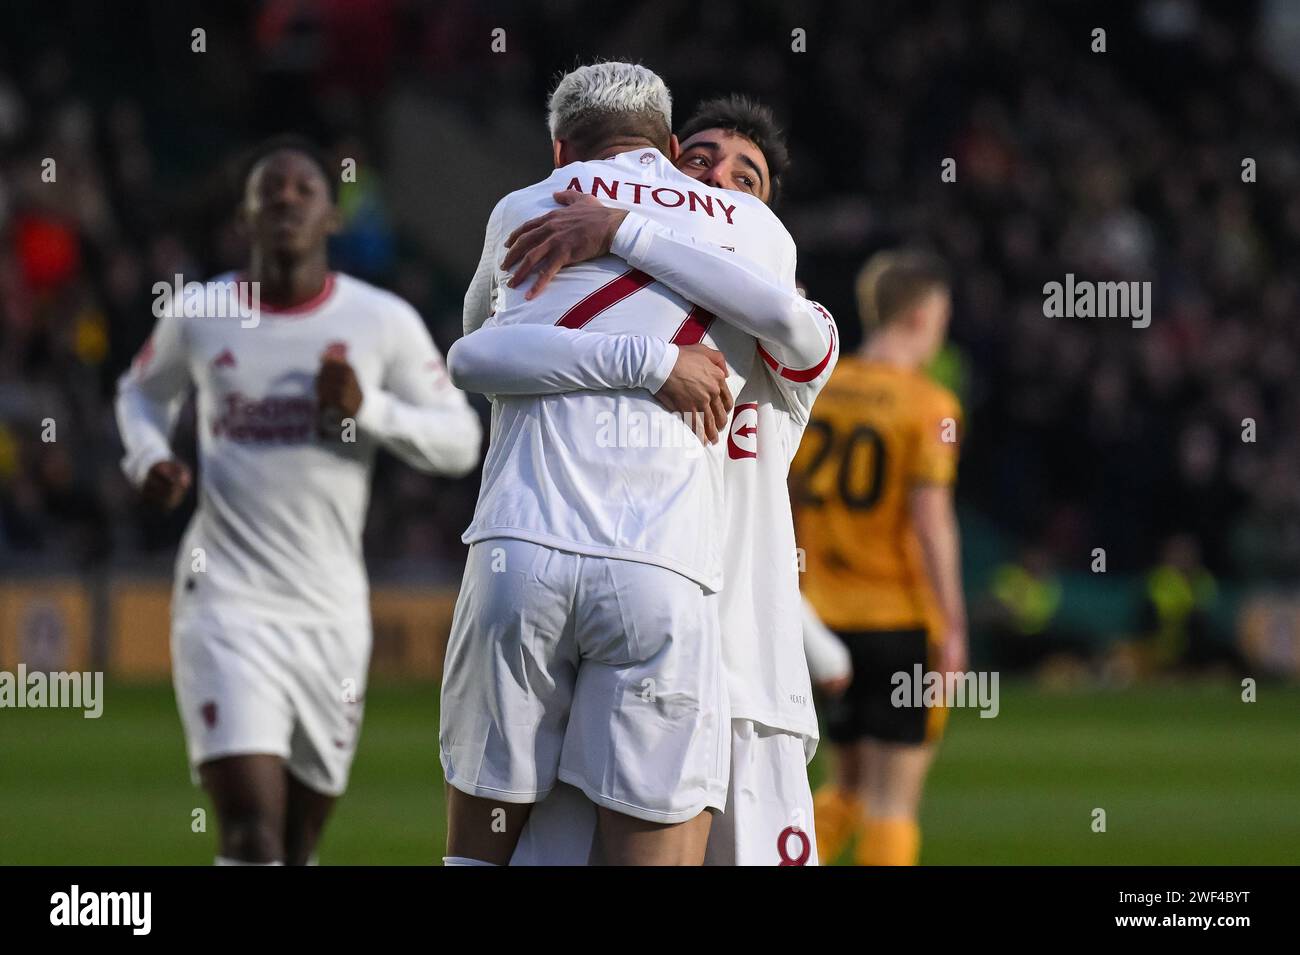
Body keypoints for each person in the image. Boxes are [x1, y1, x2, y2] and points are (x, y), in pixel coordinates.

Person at [442, 65, 828, 866]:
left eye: (744, 177)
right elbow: (479, 351)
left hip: (745, 673)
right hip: (656, 606)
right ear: (661, 157)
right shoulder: (718, 243)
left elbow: (798, 326)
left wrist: (623, 229)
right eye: (701, 160)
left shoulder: (779, 306)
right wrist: (650, 356)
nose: (718, 180)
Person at [114, 137, 482, 864]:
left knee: (296, 842)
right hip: (225, 601)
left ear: (331, 219)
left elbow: (460, 440)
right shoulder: (202, 311)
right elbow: (138, 393)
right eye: (268, 190)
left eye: (302, 190)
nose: (285, 198)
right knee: (251, 830)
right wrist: (148, 456)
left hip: (331, 613)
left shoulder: (381, 321)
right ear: (246, 219)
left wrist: (367, 408)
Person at [792, 250, 966, 866]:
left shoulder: (819, 386)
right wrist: (954, 627)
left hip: (823, 621)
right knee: (893, 804)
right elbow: (931, 523)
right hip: (899, 619)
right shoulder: (932, 406)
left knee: (846, 787)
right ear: (922, 316)